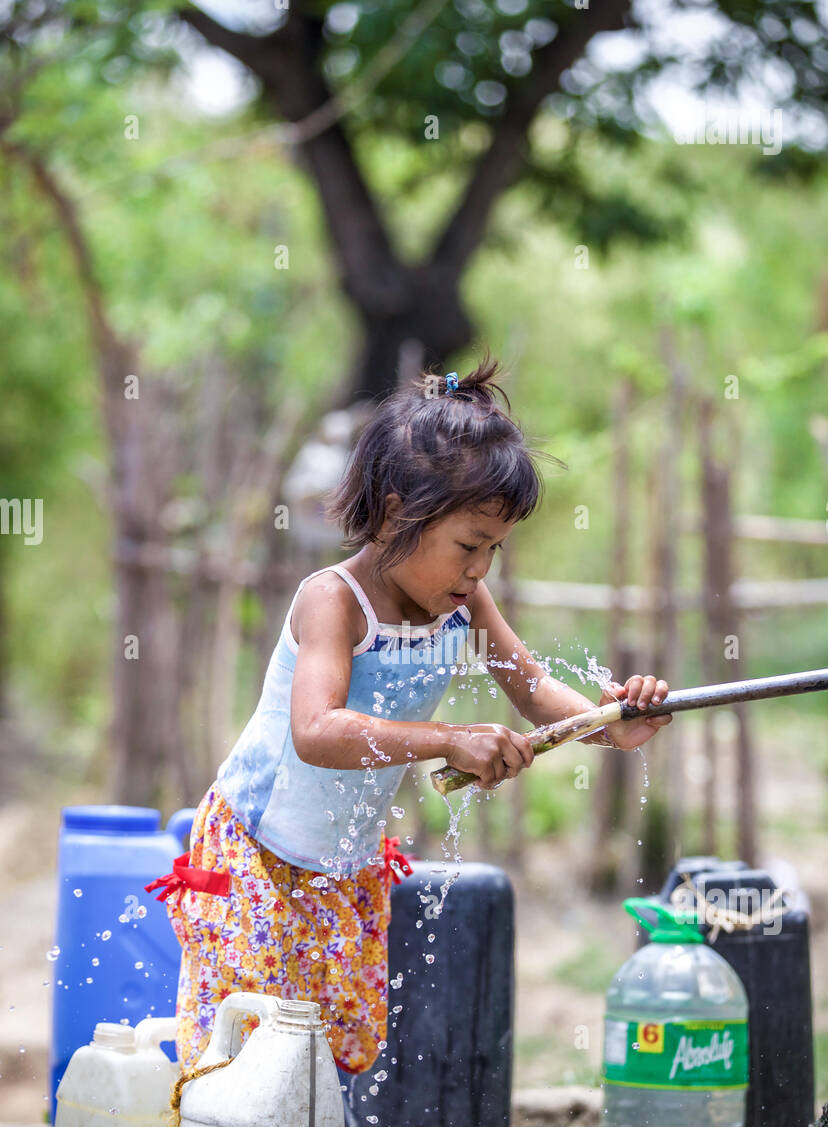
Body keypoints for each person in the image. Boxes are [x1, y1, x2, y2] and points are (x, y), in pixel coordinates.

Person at [147, 352, 672, 1079]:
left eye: (493, 549)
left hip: (343, 867)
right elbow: (319, 731)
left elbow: (534, 688)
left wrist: (611, 723)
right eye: (468, 545)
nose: (480, 569)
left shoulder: (465, 606)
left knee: (330, 1051)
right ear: (398, 513)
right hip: (253, 855)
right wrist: (448, 740)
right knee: (237, 1051)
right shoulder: (333, 601)